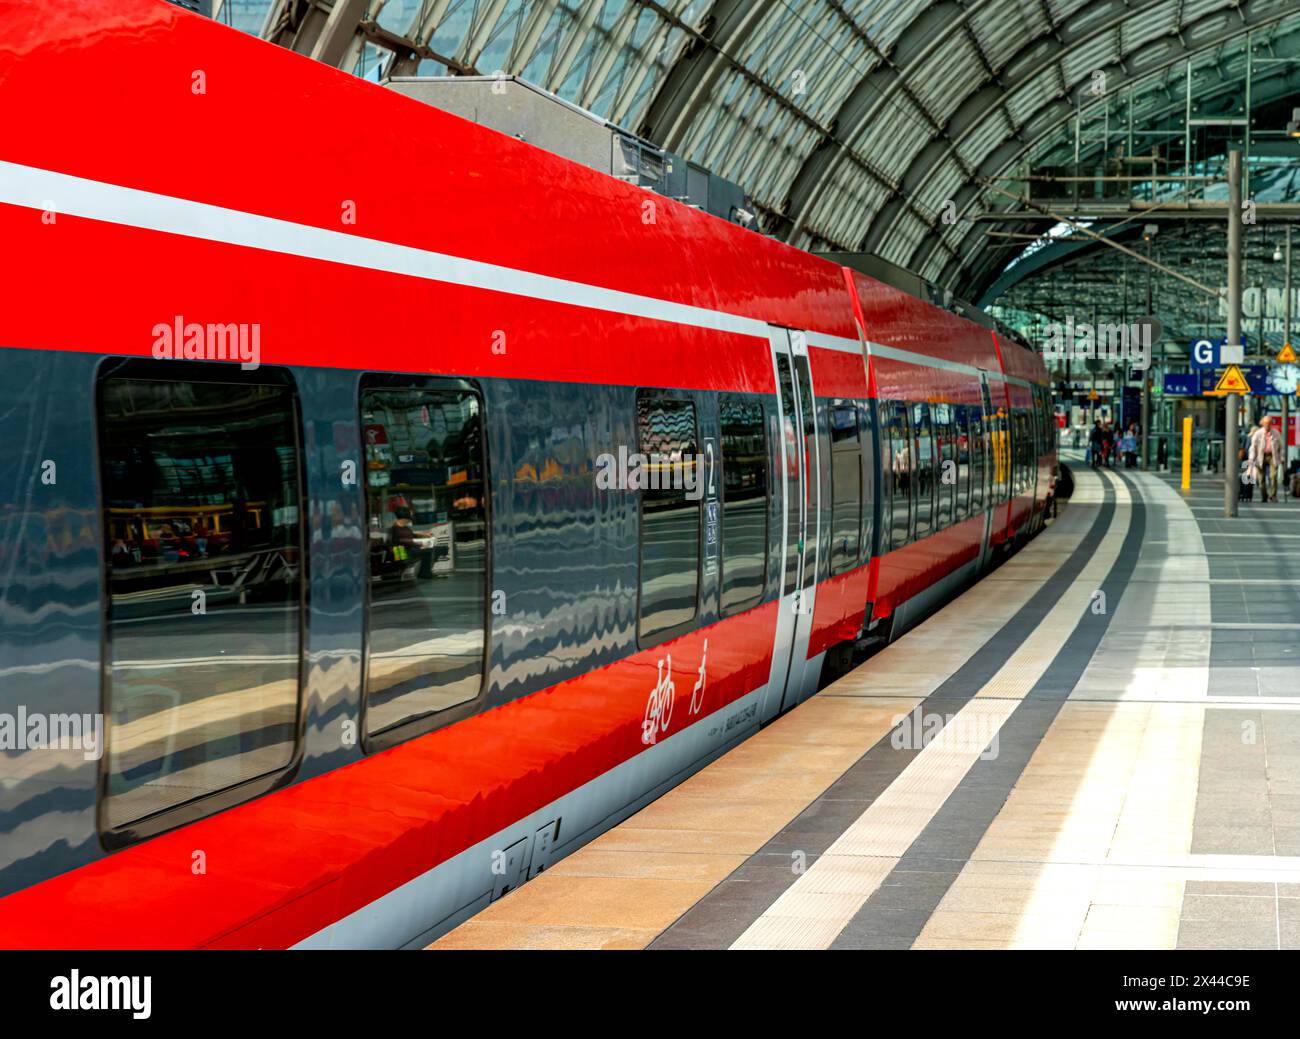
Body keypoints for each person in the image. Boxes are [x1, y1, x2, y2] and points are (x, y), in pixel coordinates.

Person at [1249, 416, 1284, 503]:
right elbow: (1253, 447)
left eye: (1269, 423)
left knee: (1273, 476)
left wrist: (1282, 457)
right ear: (1262, 424)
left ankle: (1273, 496)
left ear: (1271, 424)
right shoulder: (1258, 433)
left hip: (1272, 456)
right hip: (1261, 456)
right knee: (1261, 478)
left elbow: (1281, 447)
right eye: (1266, 423)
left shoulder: (1276, 433)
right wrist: (1252, 458)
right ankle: (1264, 496)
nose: (1267, 425)